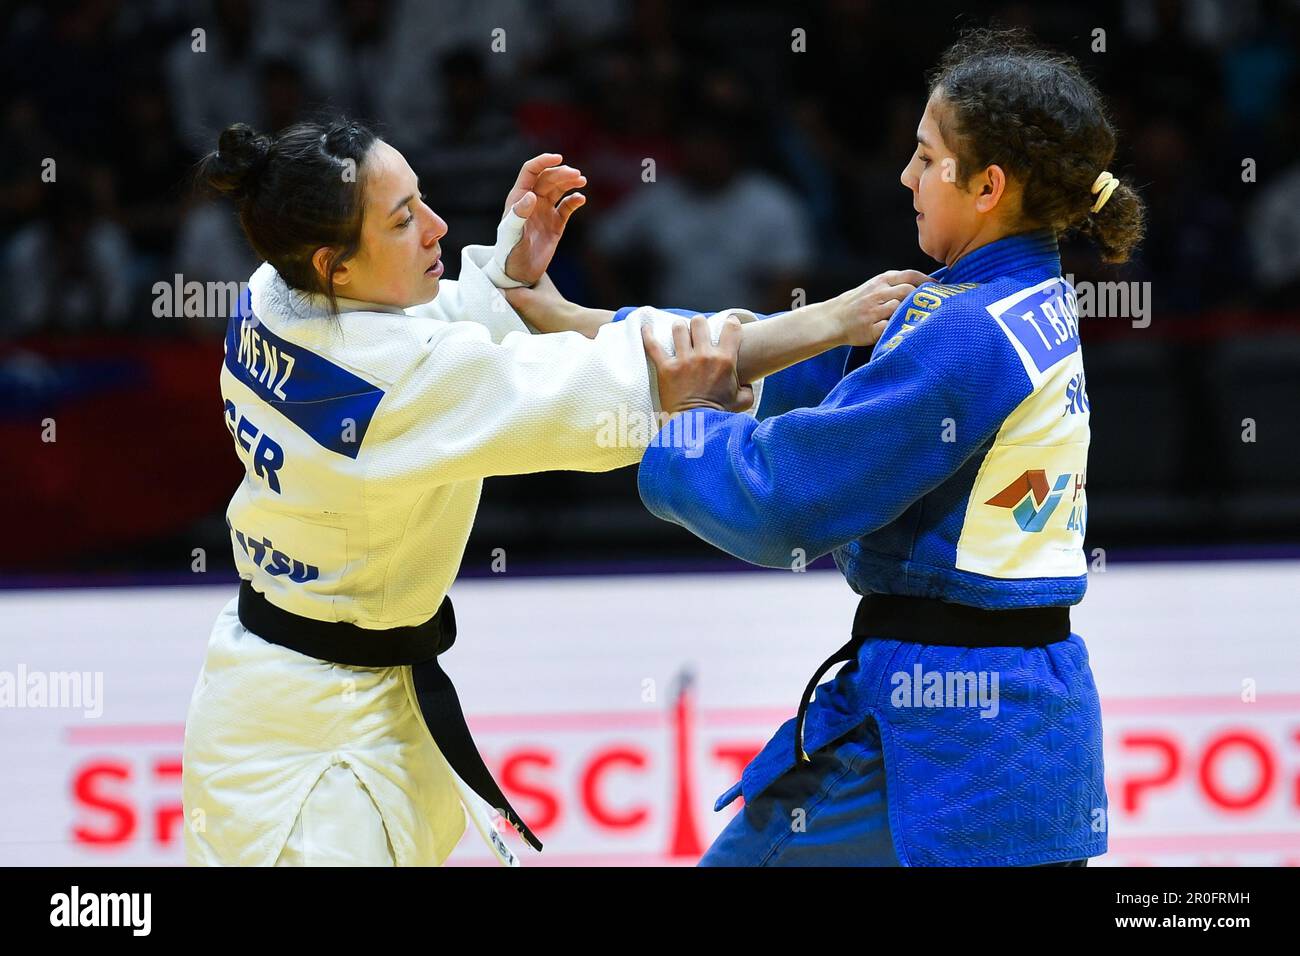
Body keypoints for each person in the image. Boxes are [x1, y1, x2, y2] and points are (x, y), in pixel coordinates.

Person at [181, 117, 917, 866]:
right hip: (314, 746)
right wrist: (832, 319)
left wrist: (505, 271)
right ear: (334, 264)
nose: (436, 225)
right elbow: (644, 375)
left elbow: (417, 333)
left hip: (289, 680)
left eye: (421, 198)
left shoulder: (276, 289)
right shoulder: (393, 386)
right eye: (404, 221)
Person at [510, 28, 1145, 866]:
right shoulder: (1008, 298)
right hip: (1003, 718)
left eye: (925, 158)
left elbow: (789, 500)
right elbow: (781, 374)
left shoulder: (966, 333)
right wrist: (577, 322)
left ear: (988, 185)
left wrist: (687, 424)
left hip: (946, 730)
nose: (906, 176)